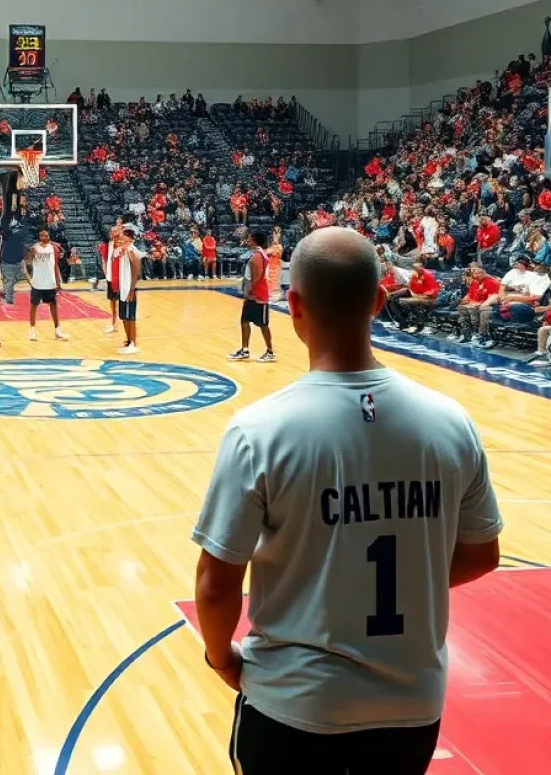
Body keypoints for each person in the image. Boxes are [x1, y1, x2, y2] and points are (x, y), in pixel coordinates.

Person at [192, 227, 502, 773]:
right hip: (412, 707)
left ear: (293, 305)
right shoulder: (451, 423)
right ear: (380, 301)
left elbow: (217, 587)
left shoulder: (259, 431)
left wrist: (221, 660)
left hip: (293, 704)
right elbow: (481, 555)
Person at [229, 230, 275, 363]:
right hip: (254, 294)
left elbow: (257, 276)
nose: (248, 240)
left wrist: (250, 292)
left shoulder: (258, 256)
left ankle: (270, 351)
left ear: (255, 240)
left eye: (250, 238)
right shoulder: (259, 254)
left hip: (258, 295)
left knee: (263, 324)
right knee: (244, 321)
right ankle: (245, 349)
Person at [24, 230, 70, 342]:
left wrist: (58, 280)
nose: (47, 237)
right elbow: (27, 261)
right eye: (44, 235)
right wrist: (28, 278)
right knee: (33, 306)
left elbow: (55, 265)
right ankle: (32, 330)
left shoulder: (53, 248)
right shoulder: (34, 248)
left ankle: (57, 330)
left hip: (50, 282)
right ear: (40, 237)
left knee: (53, 305)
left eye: (48, 235)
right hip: (37, 282)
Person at [114, 226, 142, 355]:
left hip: (129, 289)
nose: (121, 238)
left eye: (123, 236)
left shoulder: (132, 251)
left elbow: (136, 271)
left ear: (129, 238)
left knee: (131, 317)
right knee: (124, 316)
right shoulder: (123, 251)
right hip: (123, 287)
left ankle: (133, 343)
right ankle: (128, 339)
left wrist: (131, 289)